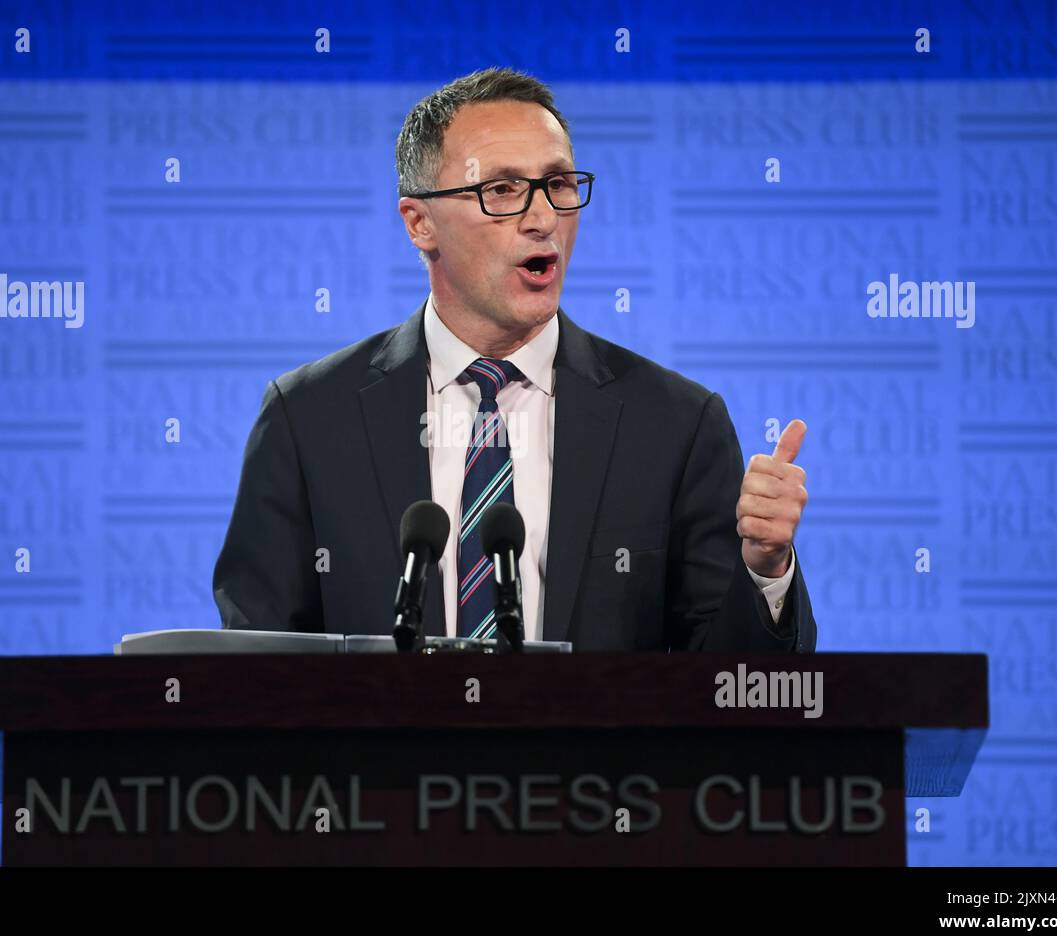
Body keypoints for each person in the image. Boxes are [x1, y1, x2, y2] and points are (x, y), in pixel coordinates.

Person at [213, 67, 816, 652]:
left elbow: (731, 691)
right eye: (501, 189)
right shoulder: (309, 417)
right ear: (420, 223)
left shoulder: (676, 424)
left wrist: (765, 569)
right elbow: (258, 671)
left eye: (557, 184)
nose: (542, 217)